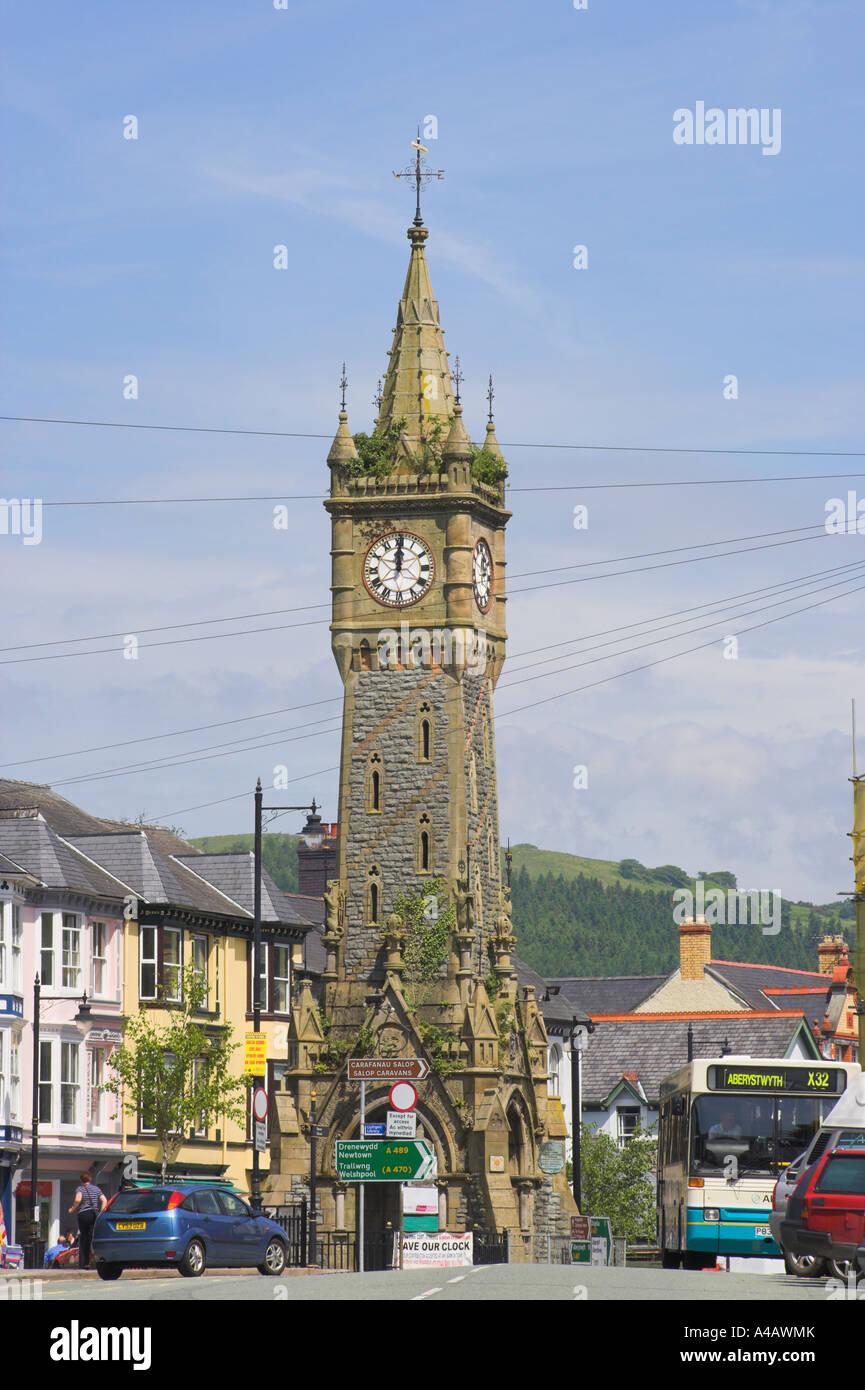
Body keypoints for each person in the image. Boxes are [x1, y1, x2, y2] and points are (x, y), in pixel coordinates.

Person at [68, 1171, 107, 1268]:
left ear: (81, 1180)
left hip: (83, 1214)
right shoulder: (96, 1189)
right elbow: (104, 1200)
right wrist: (101, 1212)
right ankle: (94, 1259)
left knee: (84, 1237)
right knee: (92, 1237)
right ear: (90, 1179)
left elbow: (78, 1199)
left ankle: (85, 1262)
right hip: (94, 1214)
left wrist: (72, 1209)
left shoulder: (80, 1188)